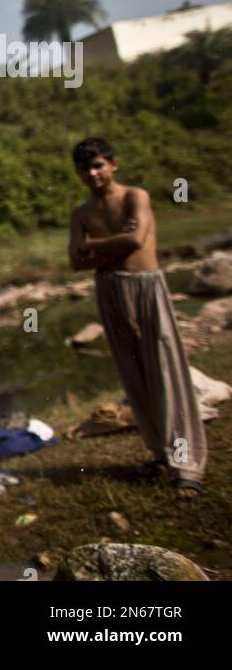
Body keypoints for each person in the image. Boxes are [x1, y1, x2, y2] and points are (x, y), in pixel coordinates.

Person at [68, 137, 206, 497]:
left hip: (145, 286)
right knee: (134, 376)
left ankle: (186, 464)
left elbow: (136, 240)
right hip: (109, 291)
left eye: (99, 165)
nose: (93, 173)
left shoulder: (135, 197)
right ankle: (160, 453)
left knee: (165, 370)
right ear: (78, 173)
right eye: (86, 168)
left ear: (113, 164)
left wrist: (93, 247)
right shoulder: (82, 213)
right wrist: (111, 245)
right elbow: (74, 260)